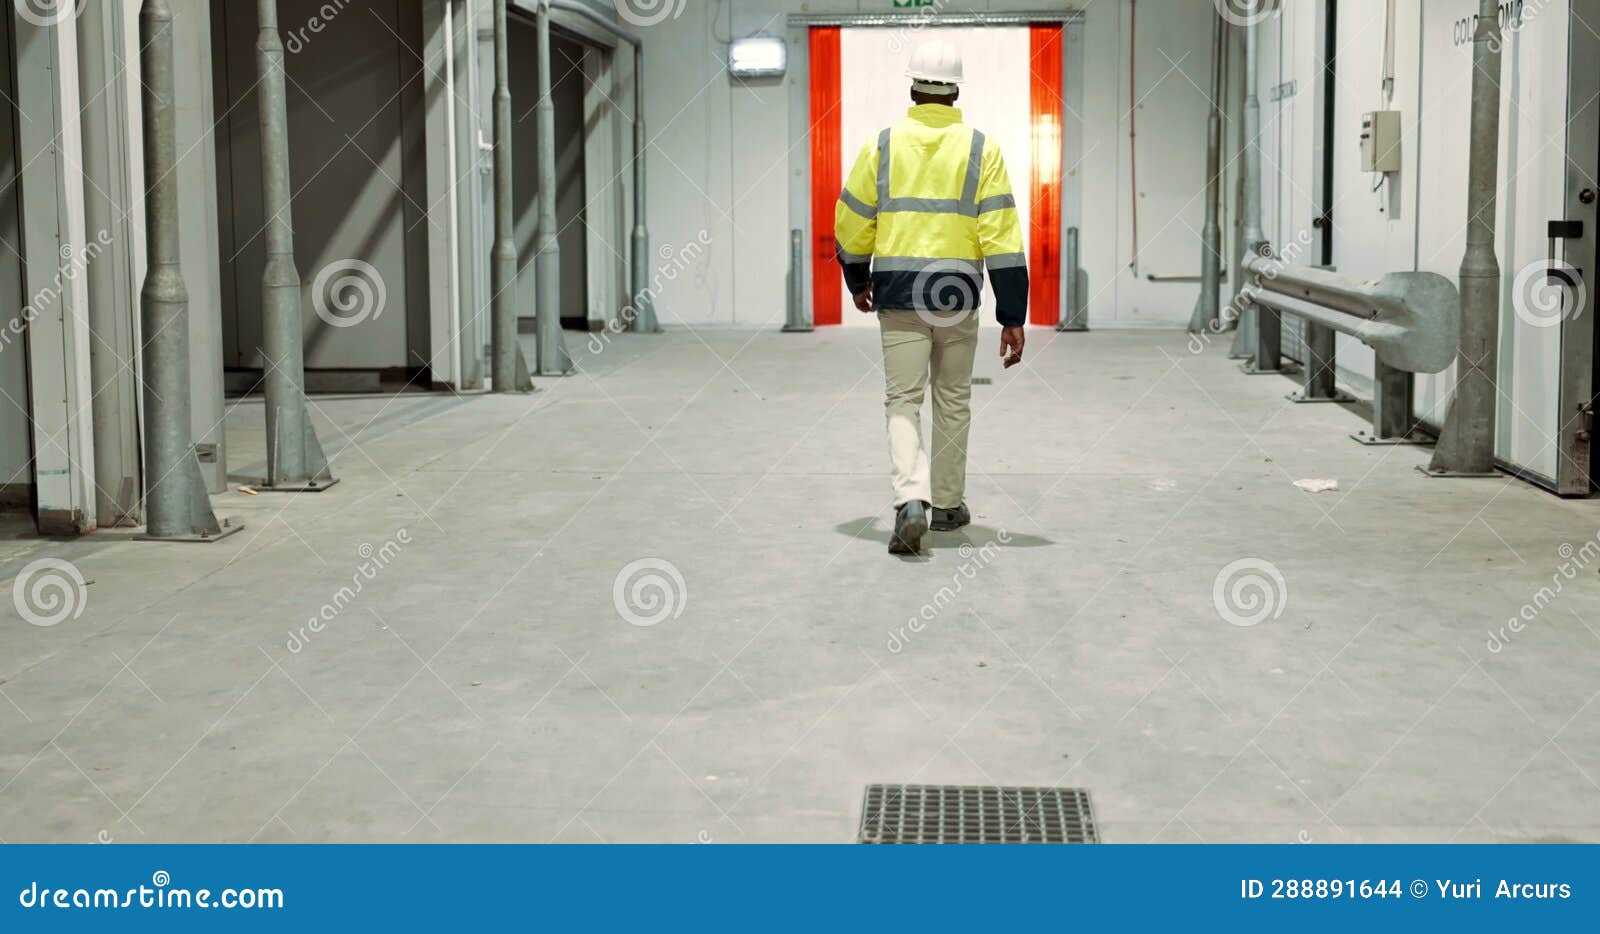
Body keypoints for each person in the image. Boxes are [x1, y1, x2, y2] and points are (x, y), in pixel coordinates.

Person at [834, 37, 1030, 556]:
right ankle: (947, 504)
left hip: (898, 292)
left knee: (903, 399)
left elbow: (851, 218)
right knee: (953, 399)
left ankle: (909, 501)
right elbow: (1003, 235)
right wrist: (1013, 314)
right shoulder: (981, 148)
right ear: (956, 89)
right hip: (957, 293)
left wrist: (857, 278)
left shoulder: (882, 144)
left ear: (913, 86)